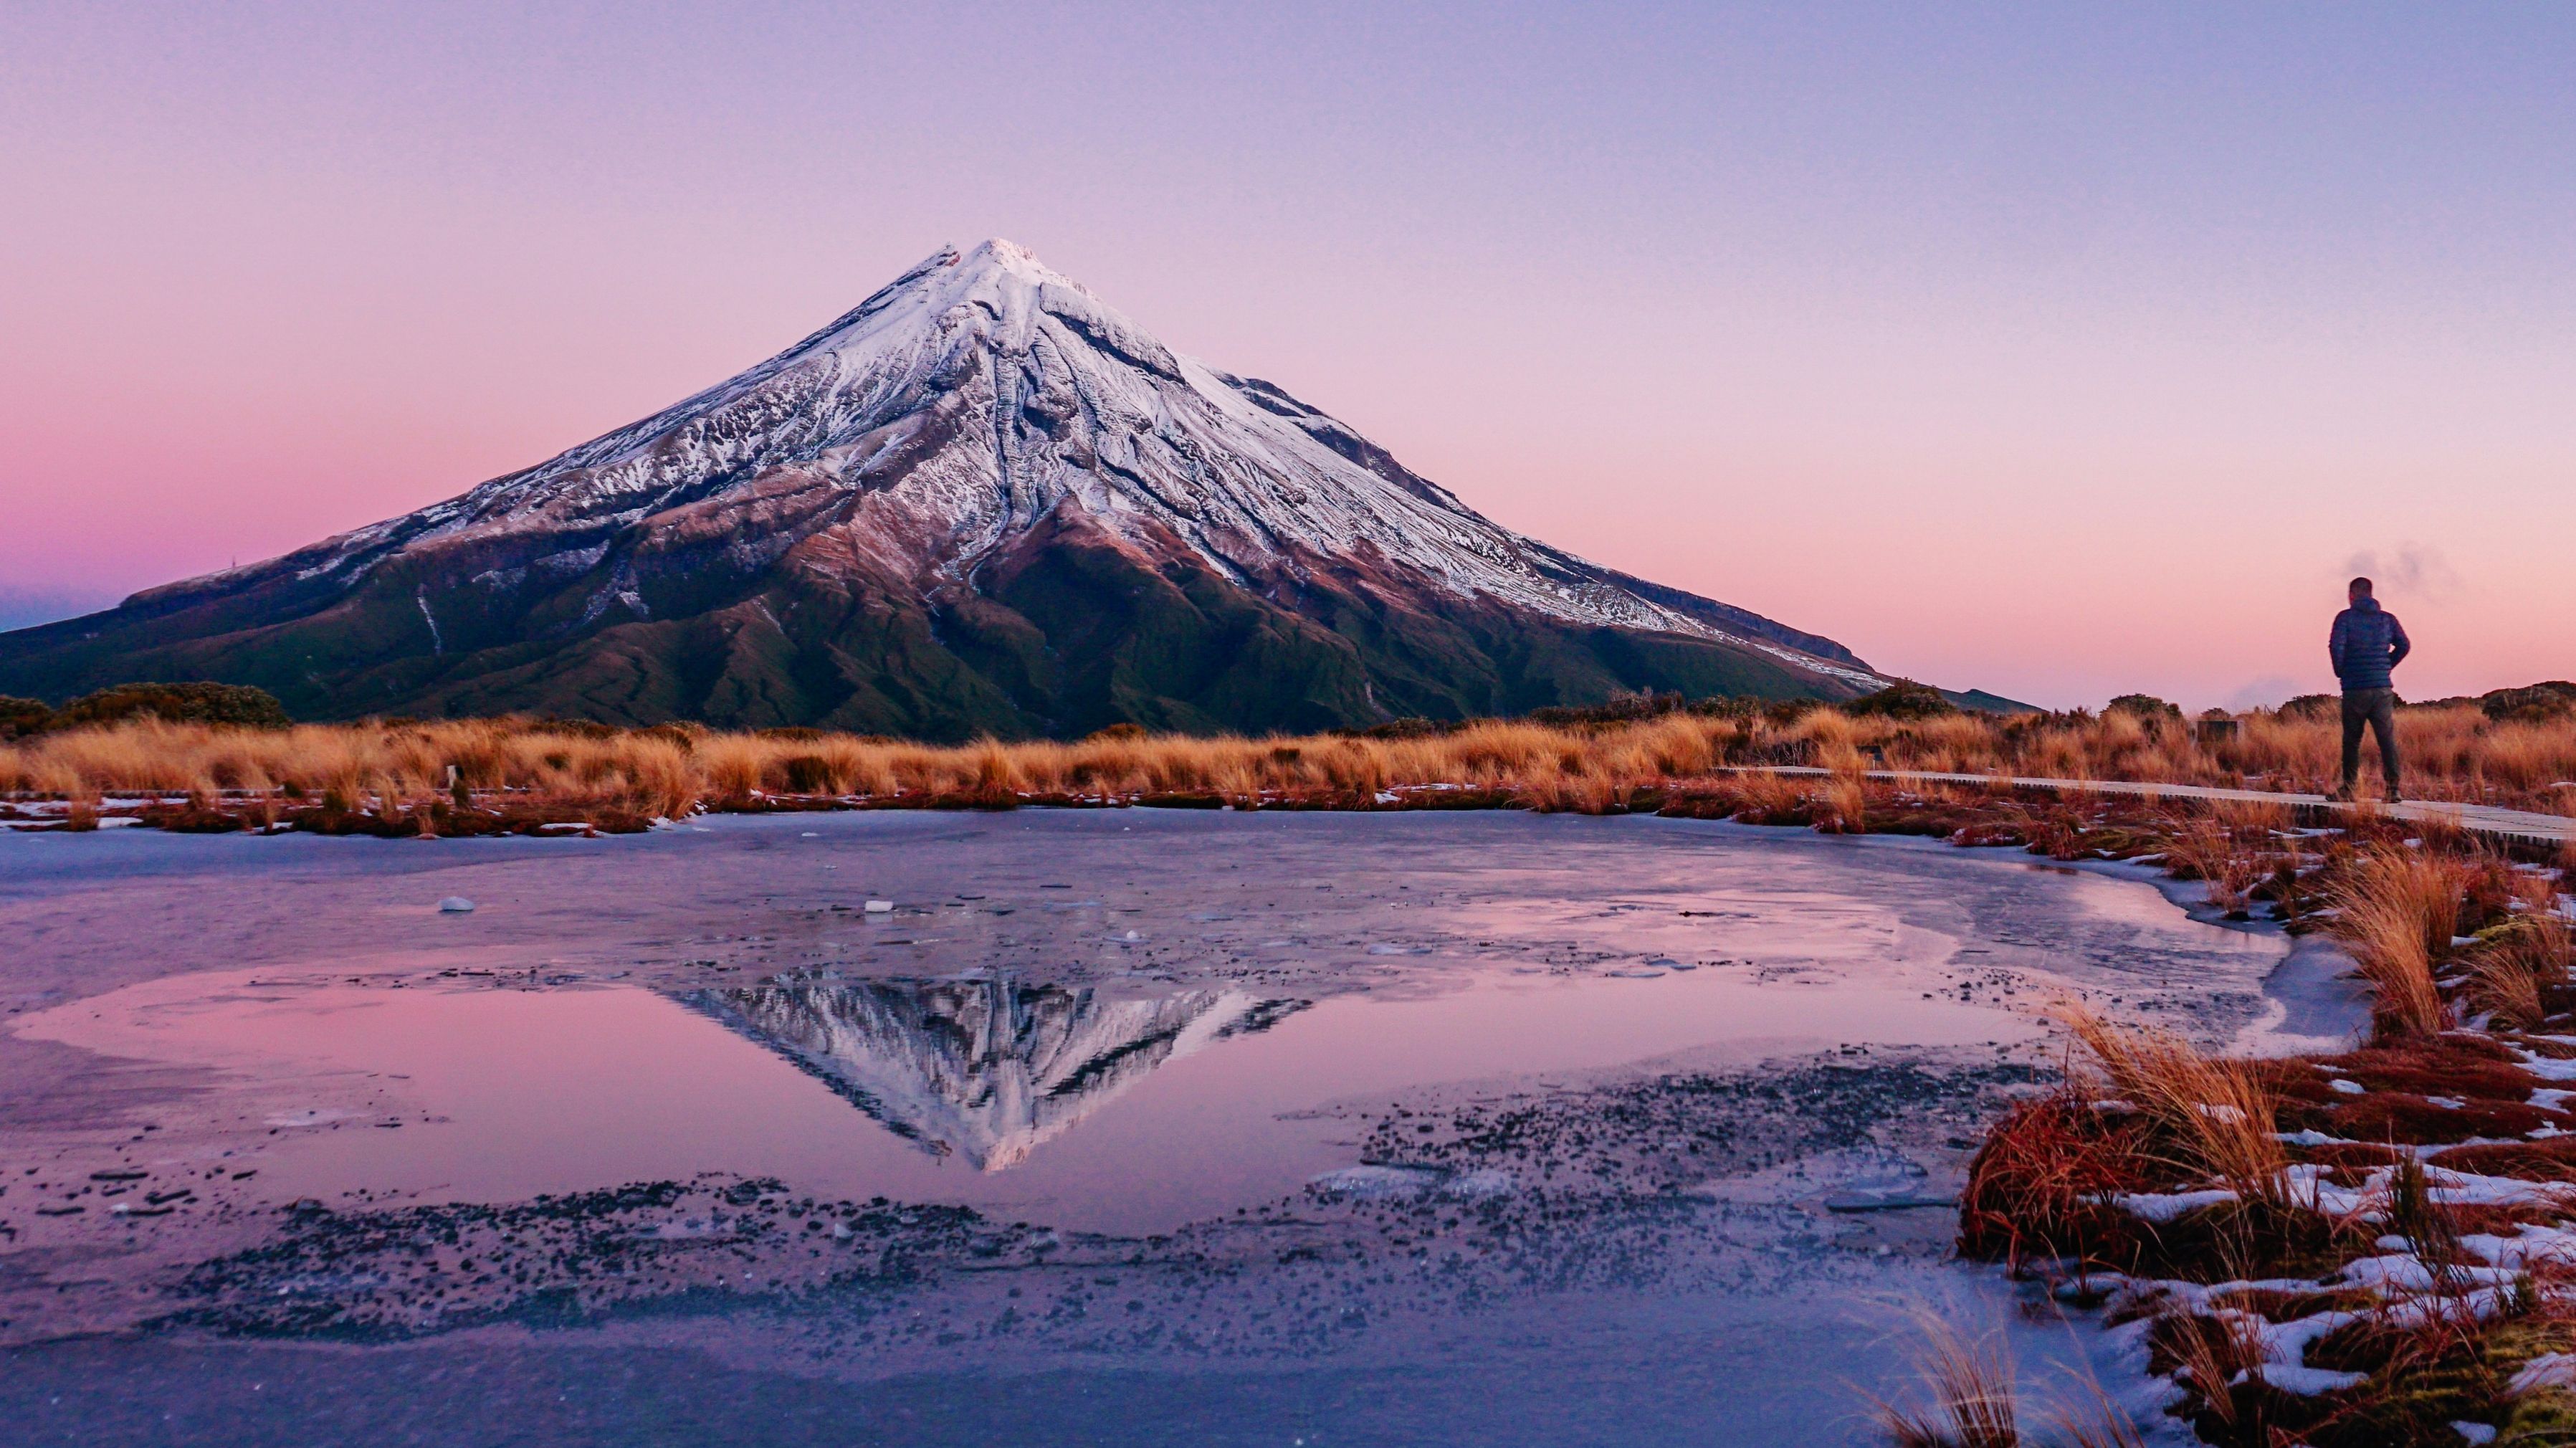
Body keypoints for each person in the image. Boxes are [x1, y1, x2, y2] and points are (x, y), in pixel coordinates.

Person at [2327, 576, 2410, 802]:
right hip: (2382, 688)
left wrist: (2342, 671)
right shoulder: (2387, 619)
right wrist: (2386, 667)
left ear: (2352, 595)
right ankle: (2393, 790)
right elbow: (2404, 645)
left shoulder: (2344, 619)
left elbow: (2336, 647)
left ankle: (2349, 789)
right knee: (2386, 739)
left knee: (2352, 740)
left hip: (2355, 689)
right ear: (2371, 594)